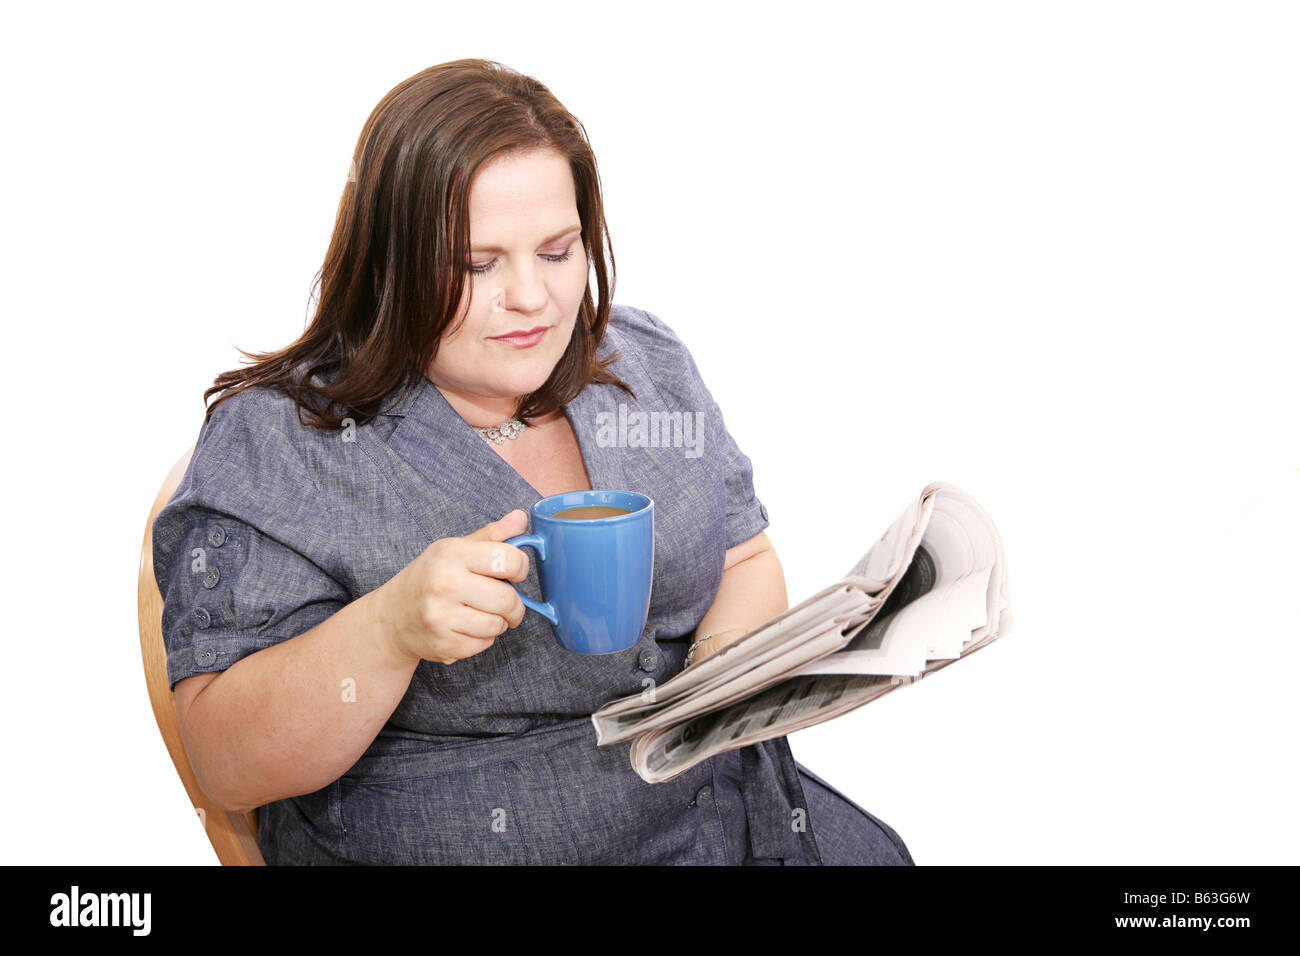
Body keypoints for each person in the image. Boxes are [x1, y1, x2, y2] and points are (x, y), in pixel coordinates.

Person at [152, 58, 913, 866]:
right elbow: (226, 764)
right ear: (388, 262)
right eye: (478, 264)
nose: (533, 299)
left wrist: (719, 678)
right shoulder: (280, 444)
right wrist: (387, 631)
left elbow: (745, 556)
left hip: (727, 818)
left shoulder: (644, 364)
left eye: (557, 252)